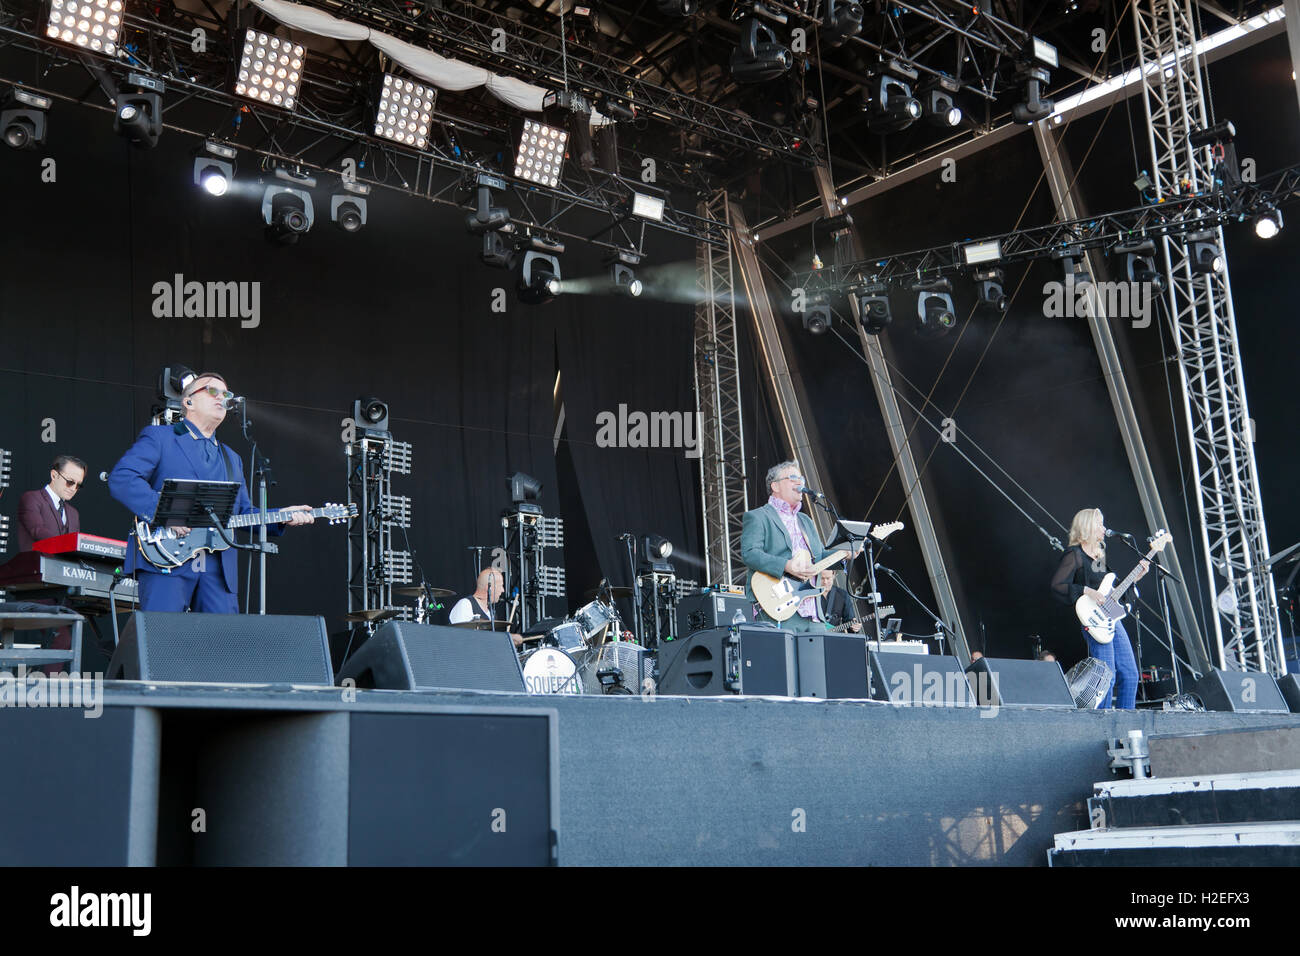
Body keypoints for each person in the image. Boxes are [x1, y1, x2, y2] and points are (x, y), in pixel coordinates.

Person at [107, 372, 314, 613]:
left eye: (226, 394)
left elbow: (242, 513)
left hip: (218, 567)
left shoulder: (232, 458)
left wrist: (282, 515)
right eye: (212, 391)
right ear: (189, 402)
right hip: (166, 558)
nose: (222, 397)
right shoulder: (161, 437)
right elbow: (122, 478)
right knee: (164, 642)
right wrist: (167, 512)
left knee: (220, 645)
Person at [1050, 507, 1147, 709]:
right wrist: (1087, 591)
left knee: (1130, 674)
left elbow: (1107, 589)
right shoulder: (1075, 555)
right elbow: (1058, 586)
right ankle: (1102, 729)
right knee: (1106, 678)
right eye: (1099, 524)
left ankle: (1125, 726)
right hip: (1093, 620)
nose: (1104, 528)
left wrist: (1135, 578)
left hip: (1110, 617)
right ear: (1087, 526)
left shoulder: (1098, 556)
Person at [741, 460, 849, 633]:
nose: (800, 483)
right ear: (775, 486)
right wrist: (786, 565)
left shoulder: (805, 520)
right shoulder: (758, 516)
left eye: (801, 479)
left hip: (813, 612)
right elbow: (750, 554)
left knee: (820, 660)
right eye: (793, 478)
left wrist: (845, 553)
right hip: (778, 607)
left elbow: (820, 556)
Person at [16, 454, 85, 551]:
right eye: (70, 482)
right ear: (54, 475)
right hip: (35, 564)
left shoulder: (74, 513)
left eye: (78, 485)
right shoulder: (32, 498)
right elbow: (37, 531)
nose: (74, 488)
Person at [448, 567, 523, 648]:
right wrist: (505, 638)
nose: (503, 590)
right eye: (501, 586)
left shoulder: (491, 612)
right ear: (489, 588)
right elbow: (458, 639)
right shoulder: (465, 605)